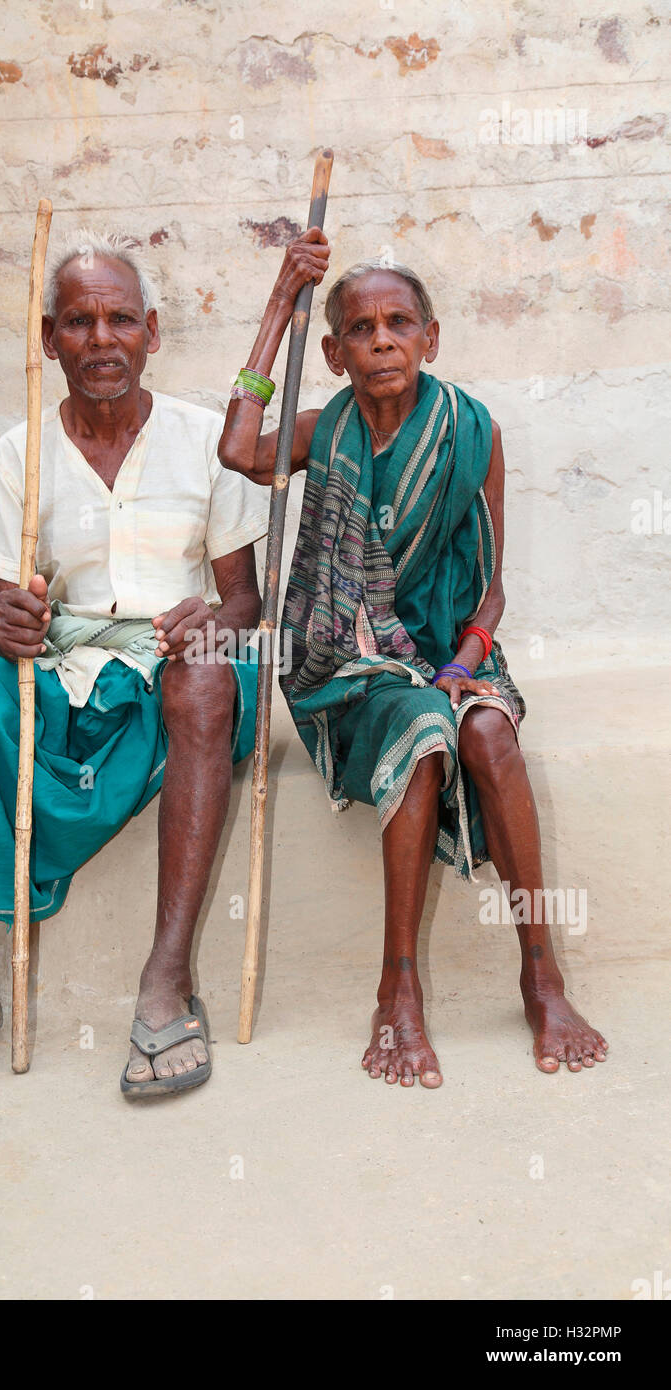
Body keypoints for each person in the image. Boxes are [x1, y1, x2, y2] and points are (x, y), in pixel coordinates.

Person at [0, 230, 269, 1103]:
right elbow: (0, 622)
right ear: (50, 338)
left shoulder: (205, 441)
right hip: (66, 676)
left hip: (174, 670)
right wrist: (9, 626)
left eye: (121, 319)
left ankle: (168, 979)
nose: (102, 339)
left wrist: (211, 619)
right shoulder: (16, 456)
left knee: (209, 672)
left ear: (151, 332)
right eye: (80, 322)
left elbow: (244, 602)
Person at [218, 229, 608, 1087]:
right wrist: (279, 304)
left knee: (489, 734)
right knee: (426, 725)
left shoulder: (472, 430)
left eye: (400, 324)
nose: (383, 341)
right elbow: (240, 451)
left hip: (453, 654)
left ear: (431, 338)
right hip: (349, 665)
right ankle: (397, 991)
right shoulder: (324, 431)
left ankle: (542, 976)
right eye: (361, 329)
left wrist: (466, 665)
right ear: (334, 354)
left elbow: (491, 592)